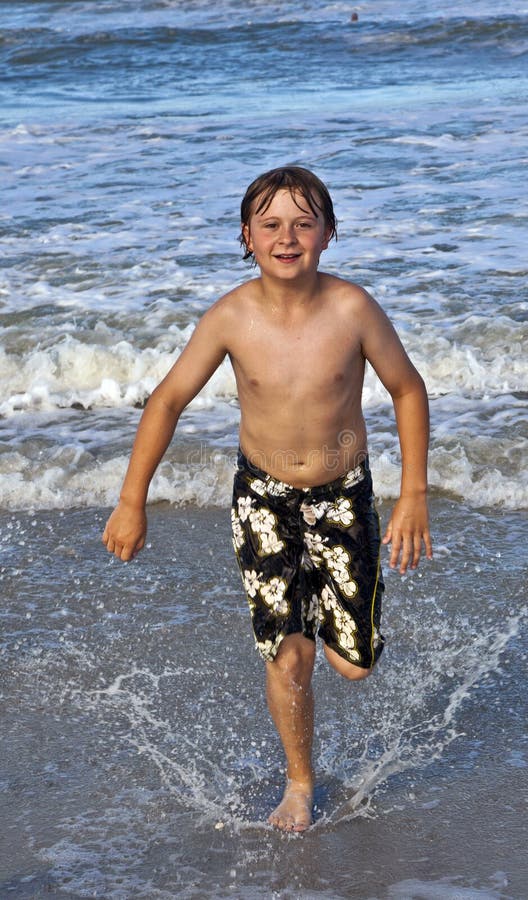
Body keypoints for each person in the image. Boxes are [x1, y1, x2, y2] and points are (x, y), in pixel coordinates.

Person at [102, 165, 432, 833]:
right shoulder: (231, 316)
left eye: (303, 223)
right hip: (262, 499)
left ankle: (345, 624)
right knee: (290, 654)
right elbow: (167, 401)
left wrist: (412, 495)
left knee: (353, 667)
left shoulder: (353, 309)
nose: (288, 237)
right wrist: (132, 499)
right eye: (272, 225)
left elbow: (408, 390)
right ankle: (299, 783)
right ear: (247, 237)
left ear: (329, 234)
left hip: (343, 497)